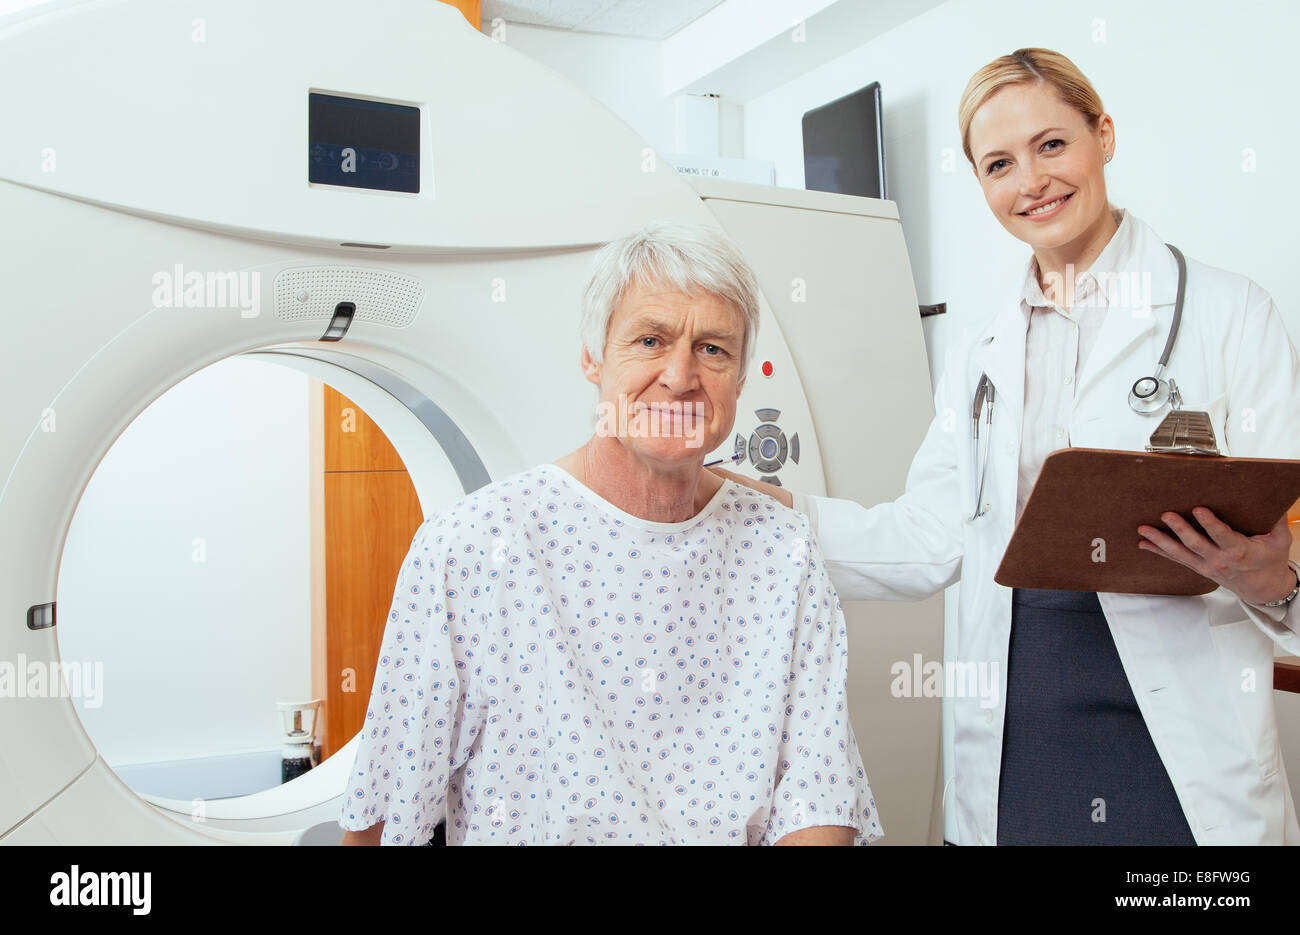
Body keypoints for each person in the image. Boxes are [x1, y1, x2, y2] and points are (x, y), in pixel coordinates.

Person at [714, 48, 1300, 845]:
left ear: (1105, 135)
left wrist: (1278, 580)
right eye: (999, 163)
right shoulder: (982, 349)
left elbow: (1282, 524)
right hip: (1019, 731)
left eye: (1052, 144)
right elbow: (933, 532)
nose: (1032, 181)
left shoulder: (1232, 314)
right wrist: (774, 512)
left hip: (1180, 738)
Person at [338, 220, 883, 845]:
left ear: (739, 380)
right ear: (592, 358)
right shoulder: (473, 546)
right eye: (650, 341)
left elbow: (816, 800)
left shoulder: (782, 550)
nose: (680, 376)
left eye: (713, 349)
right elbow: (388, 809)